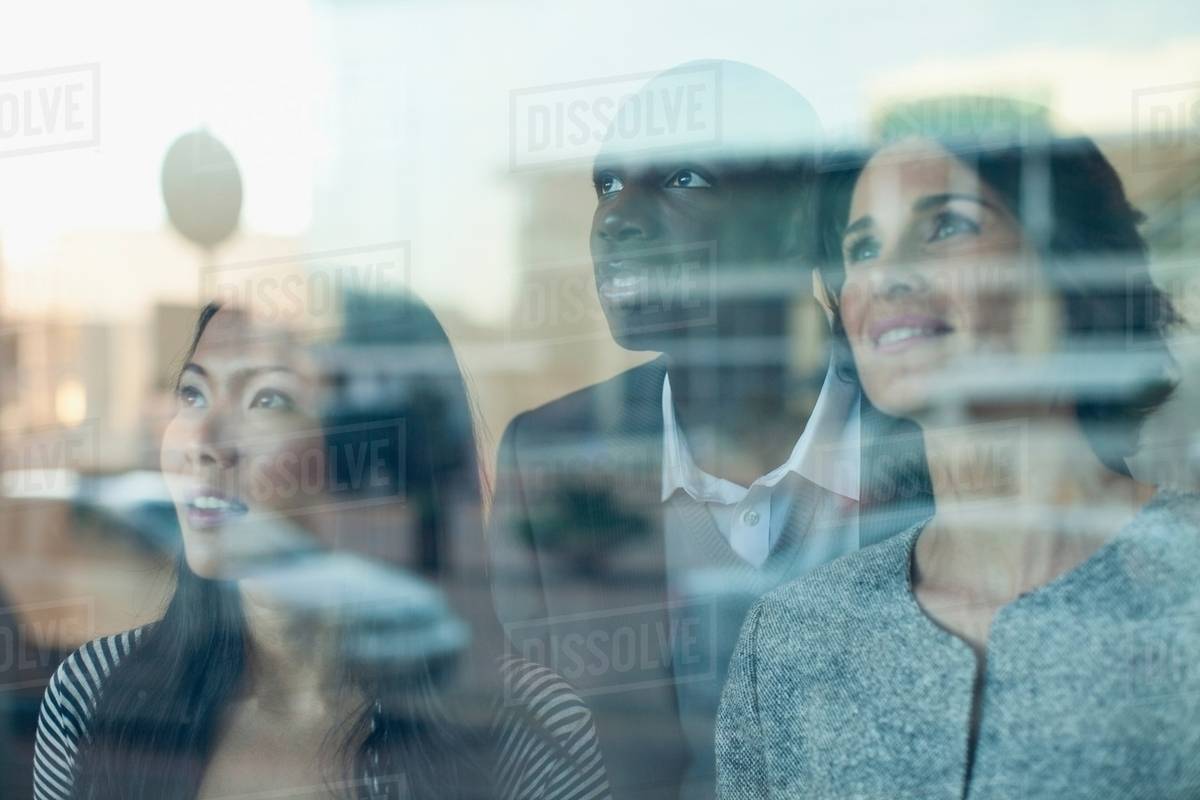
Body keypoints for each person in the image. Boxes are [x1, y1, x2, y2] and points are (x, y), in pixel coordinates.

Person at [716, 101, 1199, 798]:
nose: (888, 276)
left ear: (1067, 269)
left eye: (947, 225)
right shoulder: (791, 639)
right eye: (863, 249)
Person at [489, 60, 931, 799]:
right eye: (605, 184)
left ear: (796, 222)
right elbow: (533, 741)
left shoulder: (935, 440)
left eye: (684, 179)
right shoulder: (548, 455)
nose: (615, 217)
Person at [33, 292, 611, 800]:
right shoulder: (92, 693)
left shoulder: (527, 725)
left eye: (265, 400)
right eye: (192, 394)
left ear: (376, 456)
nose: (204, 443)